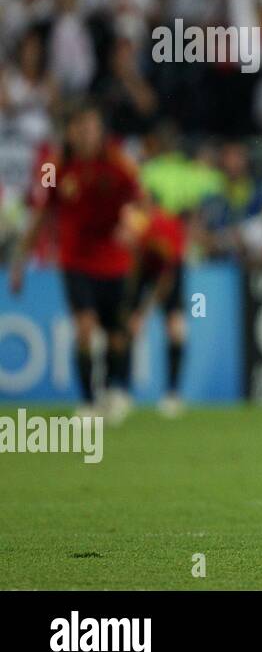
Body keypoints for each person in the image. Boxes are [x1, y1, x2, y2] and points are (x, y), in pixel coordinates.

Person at [9, 104, 142, 422]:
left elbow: (141, 203)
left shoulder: (118, 163)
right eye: (79, 126)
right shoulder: (54, 166)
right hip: (75, 260)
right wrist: (19, 262)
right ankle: (87, 401)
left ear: (100, 130)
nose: (85, 133)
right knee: (84, 328)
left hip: (114, 260)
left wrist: (131, 226)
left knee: (116, 335)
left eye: (91, 126)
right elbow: (40, 214)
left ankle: (113, 390)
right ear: (70, 131)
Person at [123, 189, 188, 418]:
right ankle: (122, 392)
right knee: (130, 328)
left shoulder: (165, 225)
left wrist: (148, 308)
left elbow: (167, 276)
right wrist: (136, 309)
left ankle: (172, 395)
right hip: (143, 272)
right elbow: (135, 266)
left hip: (169, 272)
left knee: (176, 329)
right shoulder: (130, 224)